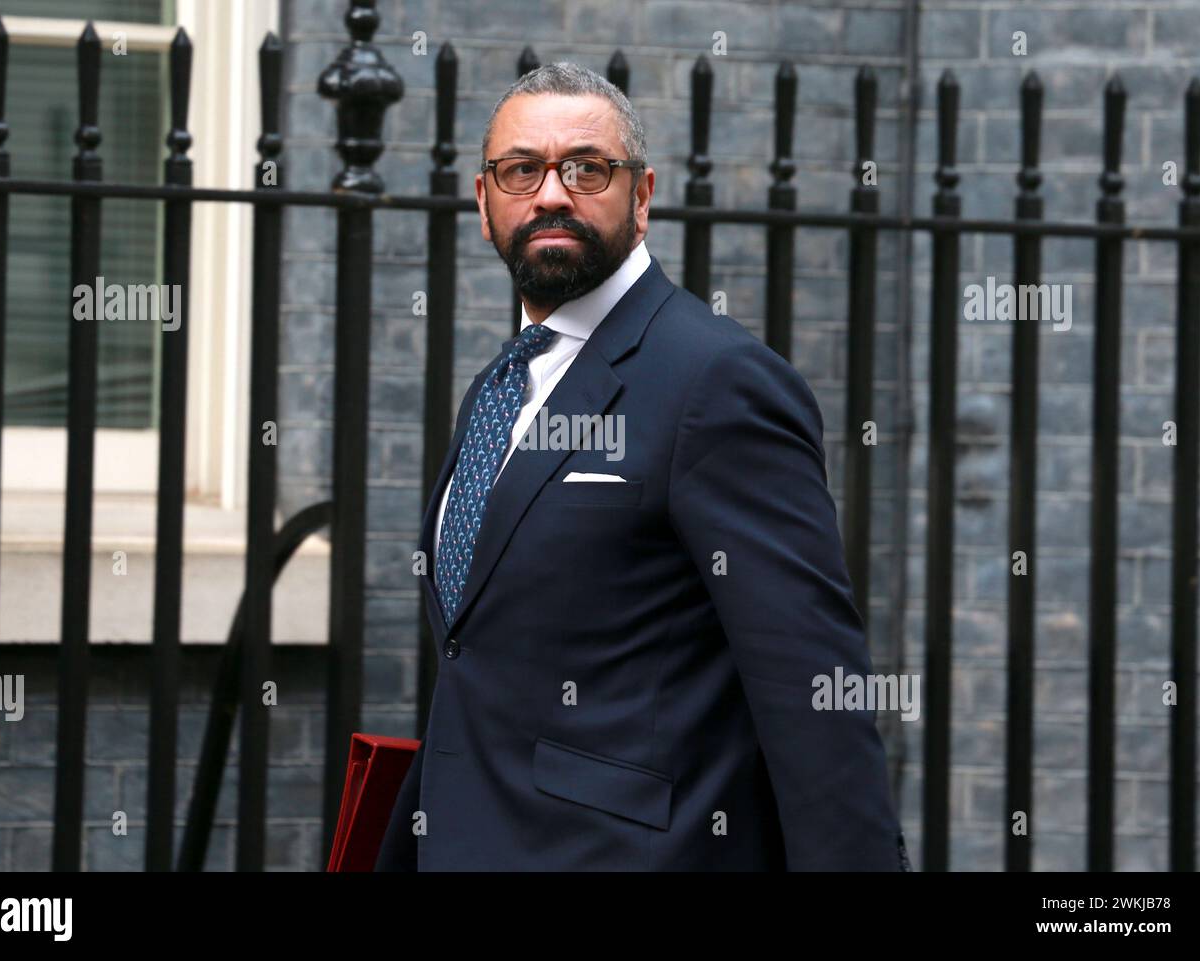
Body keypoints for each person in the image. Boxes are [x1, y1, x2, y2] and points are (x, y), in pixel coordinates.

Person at [375, 62, 909, 871]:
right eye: (521, 170)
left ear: (644, 196)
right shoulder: (498, 388)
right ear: (484, 205)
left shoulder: (716, 381)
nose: (551, 193)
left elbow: (814, 699)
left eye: (587, 168)